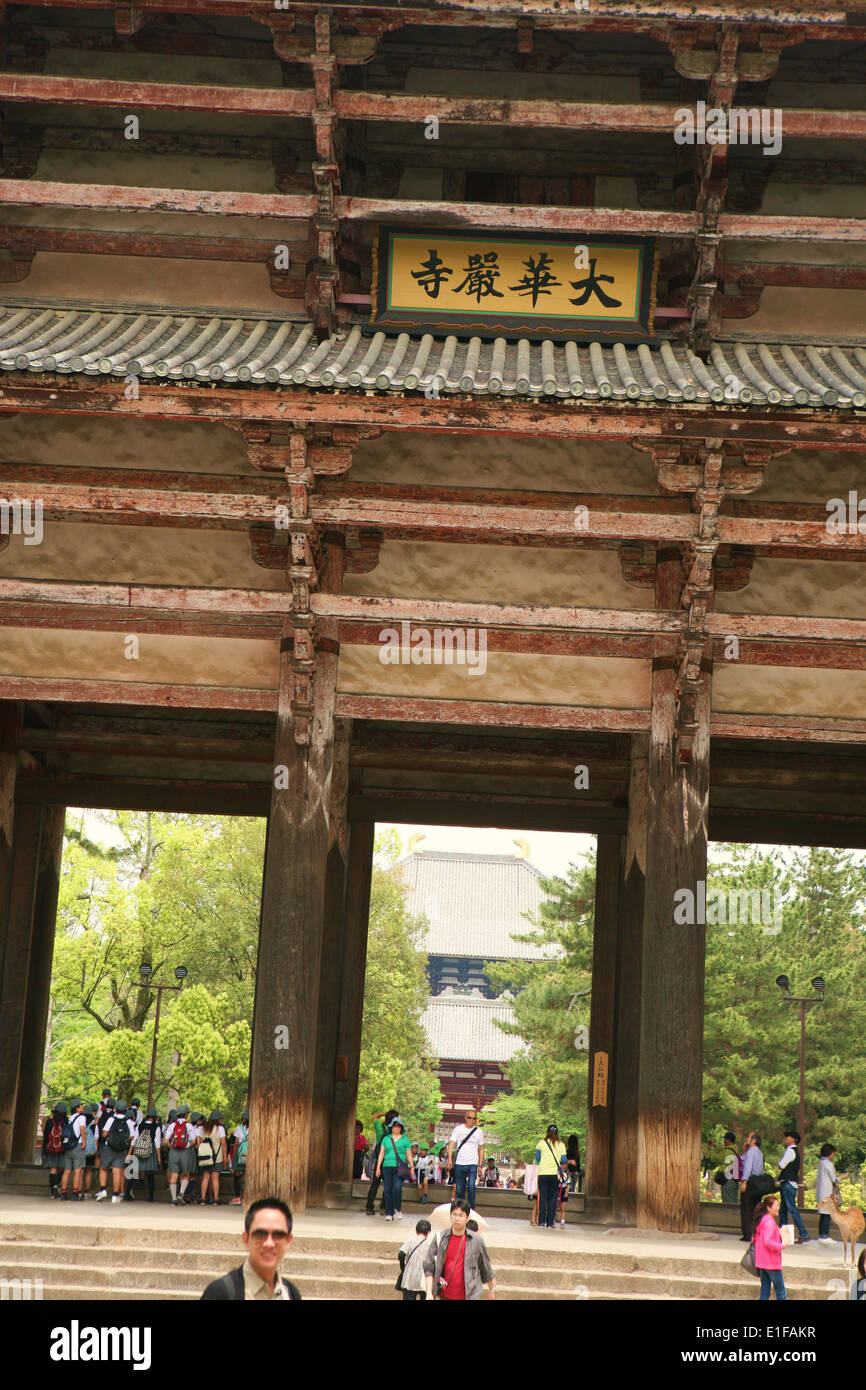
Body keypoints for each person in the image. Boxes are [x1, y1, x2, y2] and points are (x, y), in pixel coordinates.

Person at [200, 1197, 301, 1300]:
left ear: (289, 1240)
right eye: (260, 1234)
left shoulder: (291, 1293)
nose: (269, 1244)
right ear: (246, 1238)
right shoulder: (220, 1294)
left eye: (278, 1235)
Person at [423, 1198, 496, 1301]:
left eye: (461, 1215)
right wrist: (429, 1293)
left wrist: (492, 1290)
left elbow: (486, 1268)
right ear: (450, 1216)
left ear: (467, 1218)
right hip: (444, 1295)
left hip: (469, 1296)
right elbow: (428, 1267)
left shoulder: (476, 1241)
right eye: (454, 1214)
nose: (457, 1218)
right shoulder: (440, 1238)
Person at [375, 1116, 415, 1222]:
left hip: (399, 1167)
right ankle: (389, 1212)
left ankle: (398, 1208)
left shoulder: (405, 1139)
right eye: (394, 1126)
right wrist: (378, 1167)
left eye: (398, 1126)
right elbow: (382, 1153)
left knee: (397, 1188)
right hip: (387, 1166)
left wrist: (412, 1166)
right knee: (387, 1190)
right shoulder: (386, 1139)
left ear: (401, 1127)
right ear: (391, 1127)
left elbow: (409, 1154)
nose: (396, 1127)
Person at [96, 1098, 135, 1203]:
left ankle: (103, 1190)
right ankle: (115, 1195)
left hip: (108, 1147)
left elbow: (104, 1134)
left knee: (103, 1169)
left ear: (115, 1109)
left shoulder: (111, 1119)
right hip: (121, 1150)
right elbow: (132, 1137)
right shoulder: (129, 1122)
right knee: (117, 1171)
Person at [777, 1128, 811, 1244]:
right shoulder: (795, 1151)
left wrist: (780, 1165)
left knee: (791, 1209)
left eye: (788, 1137)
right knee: (783, 1210)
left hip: (788, 1183)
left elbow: (781, 1165)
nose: (786, 1138)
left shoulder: (790, 1151)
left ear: (793, 1139)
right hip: (791, 1183)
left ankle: (803, 1233)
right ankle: (784, 1237)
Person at [447, 1109, 484, 1211]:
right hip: (460, 1163)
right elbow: (451, 1144)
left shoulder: (479, 1132)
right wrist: (449, 1158)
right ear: (465, 1118)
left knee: (472, 1186)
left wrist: (480, 1165)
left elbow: (481, 1148)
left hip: (472, 1163)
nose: (472, 1120)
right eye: (469, 1118)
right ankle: (461, 1210)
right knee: (460, 1189)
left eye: (474, 1118)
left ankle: (471, 1209)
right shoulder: (458, 1129)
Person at [753, 1193, 786, 1301]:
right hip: (771, 1262)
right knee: (780, 1291)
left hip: (762, 1262)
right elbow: (767, 1241)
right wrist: (781, 1245)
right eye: (776, 1206)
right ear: (768, 1208)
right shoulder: (769, 1223)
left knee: (765, 1291)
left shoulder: (762, 1221)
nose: (778, 1208)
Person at [366, 1108, 397, 1216]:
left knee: (375, 1185)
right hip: (390, 1162)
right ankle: (384, 1208)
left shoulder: (380, 1129)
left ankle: (369, 1207)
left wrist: (386, 1113)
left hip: (379, 1162)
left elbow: (375, 1115)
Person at [535, 1123, 567, 1230]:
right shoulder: (561, 1144)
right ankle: (550, 1223)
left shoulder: (541, 1142)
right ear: (557, 1133)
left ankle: (541, 1221)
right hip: (554, 1175)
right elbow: (563, 1160)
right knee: (553, 1199)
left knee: (542, 1198)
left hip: (543, 1173)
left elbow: (538, 1158)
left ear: (547, 1132)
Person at [164, 1104, 195, 1206]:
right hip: (185, 1152)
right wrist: (187, 1146)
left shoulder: (172, 1125)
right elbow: (193, 1141)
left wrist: (172, 1148)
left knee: (173, 1175)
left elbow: (166, 1140)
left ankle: (173, 1199)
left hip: (174, 1152)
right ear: (186, 1115)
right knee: (185, 1174)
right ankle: (181, 1194)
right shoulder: (189, 1126)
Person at [42, 1101, 73, 1199]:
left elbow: (46, 1137)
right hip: (63, 1148)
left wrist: (44, 1150)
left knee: (53, 1169)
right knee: (62, 1168)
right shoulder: (66, 1122)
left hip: (50, 1148)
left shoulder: (49, 1122)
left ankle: (52, 1191)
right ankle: (57, 1184)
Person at [398, 1218, 434, 1300]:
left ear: (416, 1231)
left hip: (409, 1278)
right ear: (428, 1232)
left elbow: (401, 1254)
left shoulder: (410, 1240)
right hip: (424, 1278)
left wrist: (403, 1267)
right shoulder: (430, 1244)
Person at [132, 1108, 162, 1202]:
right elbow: (157, 1143)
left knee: (134, 1173)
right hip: (150, 1151)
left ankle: (127, 1193)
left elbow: (135, 1139)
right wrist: (159, 1157)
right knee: (150, 1175)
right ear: (154, 1117)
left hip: (139, 1151)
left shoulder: (140, 1125)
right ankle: (151, 1197)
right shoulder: (156, 1127)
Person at [60, 1099, 87, 1201]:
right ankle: (75, 1193)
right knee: (77, 1170)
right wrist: (84, 1142)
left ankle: (63, 1193)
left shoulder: (70, 1118)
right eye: (81, 1105)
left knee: (67, 1171)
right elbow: (82, 1129)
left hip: (68, 1146)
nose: (82, 1107)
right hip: (77, 1145)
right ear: (77, 1108)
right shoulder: (81, 1117)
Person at [740, 1132, 764, 1241]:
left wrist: (744, 1181)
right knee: (756, 1208)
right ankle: (755, 1232)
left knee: (747, 1208)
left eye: (748, 1137)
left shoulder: (751, 1152)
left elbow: (748, 1167)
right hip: (758, 1183)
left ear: (753, 1140)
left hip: (750, 1182)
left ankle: (747, 1233)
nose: (747, 1139)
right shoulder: (759, 1152)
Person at [197, 1112, 224, 1206]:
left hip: (205, 1156)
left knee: (205, 1177)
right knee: (215, 1177)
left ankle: (203, 1198)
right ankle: (216, 1199)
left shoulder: (204, 1128)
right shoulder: (220, 1129)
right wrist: (225, 1156)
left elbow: (199, 1141)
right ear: (217, 1120)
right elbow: (223, 1143)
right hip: (217, 1155)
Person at [815, 1143, 838, 1243]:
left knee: (823, 1214)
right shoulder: (828, 1164)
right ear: (830, 1153)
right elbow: (834, 1179)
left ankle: (822, 1235)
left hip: (821, 1191)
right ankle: (825, 1236)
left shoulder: (821, 1162)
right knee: (827, 1214)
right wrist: (843, 1177)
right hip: (827, 1192)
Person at [231, 1109, 249, 1205]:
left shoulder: (239, 1128)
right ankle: (247, 1197)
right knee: (248, 1175)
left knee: (237, 1175)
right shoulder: (254, 1127)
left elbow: (237, 1142)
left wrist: (234, 1154)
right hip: (249, 1154)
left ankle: (238, 1197)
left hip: (240, 1154)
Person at [82, 1104, 100, 1198]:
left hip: (81, 1148)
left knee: (80, 1170)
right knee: (88, 1170)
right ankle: (87, 1192)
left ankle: (78, 1190)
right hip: (91, 1150)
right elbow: (96, 1139)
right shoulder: (94, 1125)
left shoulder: (80, 1122)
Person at [721, 1130, 741, 1204]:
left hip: (727, 1179)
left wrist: (711, 1150)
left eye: (724, 1139)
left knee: (727, 1202)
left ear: (727, 1140)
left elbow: (717, 1158)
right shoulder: (735, 1151)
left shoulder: (727, 1151)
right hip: (734, 1180)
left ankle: (727, 1216)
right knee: (734, 1201)